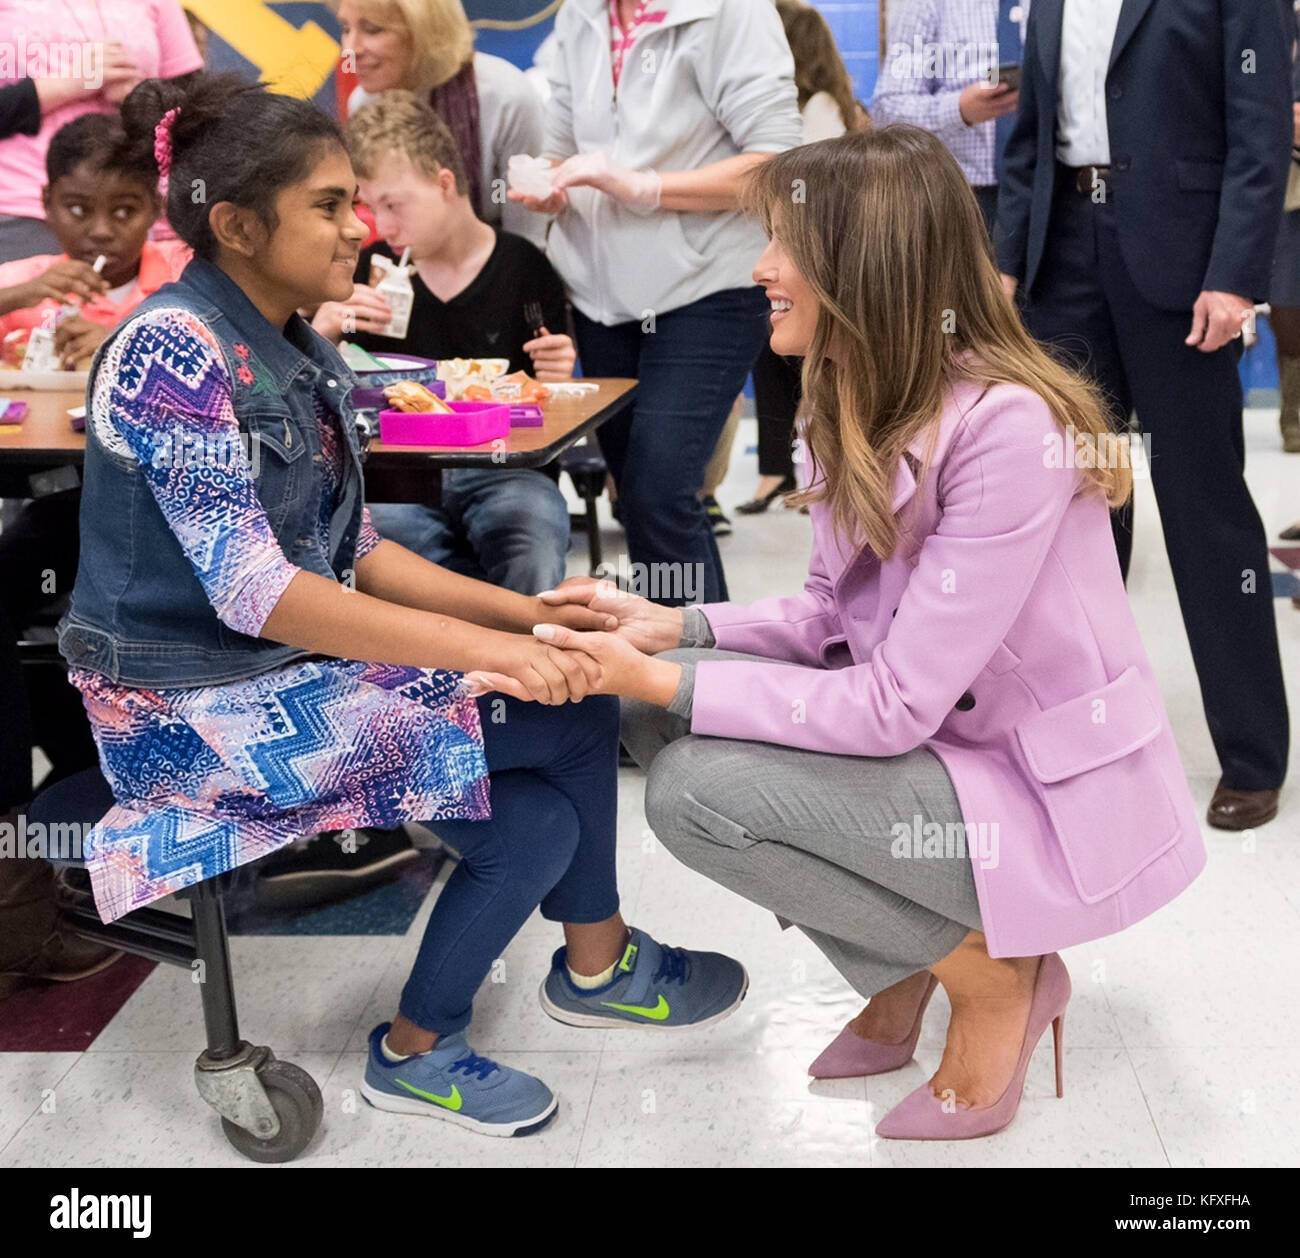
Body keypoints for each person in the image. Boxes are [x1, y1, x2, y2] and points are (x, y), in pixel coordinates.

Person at [58, 72, 749, 1136]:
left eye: (355, 200)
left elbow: (358, 552)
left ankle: (420, 1046)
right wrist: (502, 657)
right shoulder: (170, 350)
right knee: (566, 716)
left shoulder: (294, 340)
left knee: (538, 814)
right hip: (180, 712)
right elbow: (258, 591)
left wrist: (527, 620)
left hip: (268, 671)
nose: (360, 228)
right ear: (238, 224)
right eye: (329, 205)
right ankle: (595, 970)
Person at [523, 127, 1208, 1142]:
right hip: (949, 754)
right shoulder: (846, 393)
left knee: (697, 789)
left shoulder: (1009, 427)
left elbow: (890, 703)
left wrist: (667, 675)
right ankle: (903, 972)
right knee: (651, 707)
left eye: (780, 244)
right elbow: (826, 618)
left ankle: (991, 981)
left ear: (864, 261)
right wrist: (674, 623)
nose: (758, 268)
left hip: (1030, 785)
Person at [997, 0, 1291, 831]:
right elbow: (1030, 131)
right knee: (1076, 508)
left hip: (1186, 266)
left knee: (1204, 509)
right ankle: (1082, 735)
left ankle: (1252, 754)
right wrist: (1009, 263)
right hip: (1064, 266)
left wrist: (1237, 274)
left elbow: (1261, 131)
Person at [511, 0, 802, 607]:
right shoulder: (581, 16)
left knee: (658, 490)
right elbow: (561, 147)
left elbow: (777, 164)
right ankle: (690, 661)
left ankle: (702, 680)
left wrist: (646, 189)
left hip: (708, 285)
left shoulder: (731, 14)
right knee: (640, 499)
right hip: (601, 296)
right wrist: (548, 184)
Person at [315, 90, 574, 596]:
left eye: (394, 205)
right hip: (396, 475)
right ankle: (447, 663)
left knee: (533, 534)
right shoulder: (363, 272)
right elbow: (321, 395)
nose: (381, 225)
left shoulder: (523, 267)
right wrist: (321, 334)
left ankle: (525, 666)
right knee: (381, 543)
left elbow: (550, 398)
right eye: (369, 207)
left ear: (445, 183)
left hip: (505, 470)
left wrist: (559, 375)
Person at [737, 0, 860, 517]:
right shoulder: (817, 108)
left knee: (816, 374)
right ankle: (777, 470)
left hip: (815, 266)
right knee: (773, 368)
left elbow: (812, 197)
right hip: (787, 259)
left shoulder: (820, 111)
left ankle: (818, 473)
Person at [337, 0, 548, 250]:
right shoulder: (363, 105)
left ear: (425, 31)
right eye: (346, 28)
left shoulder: (507, 98)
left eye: (373, 30)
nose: (349, 50)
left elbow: (527, 239)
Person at [0, 0, 201, 262]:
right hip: (19, 206)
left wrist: (141, 98)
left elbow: (197, 111)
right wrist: (65, 85)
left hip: (136, 208)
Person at [871, 0, 1022, 239]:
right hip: (960, 200)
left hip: (1047, 201)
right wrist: (960, 110)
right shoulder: (929, 5)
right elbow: (888, 110)